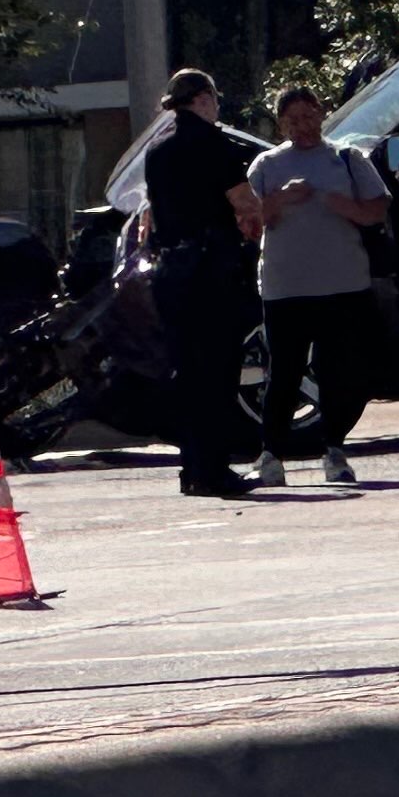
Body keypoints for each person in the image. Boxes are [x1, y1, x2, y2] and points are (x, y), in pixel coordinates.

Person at [242, 87, 392, 490]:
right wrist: (283, 198)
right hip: (285, 287)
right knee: (284, 373)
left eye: (309, 116)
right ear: (280, 124)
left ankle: (335, 448)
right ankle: (271, 455)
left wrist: (349, 208)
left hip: (343, 284)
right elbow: (250, 221)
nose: (303, 126)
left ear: (321, 114)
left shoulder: (346, 158)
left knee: (343, 373)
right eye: (293, 120)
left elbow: (378, 207)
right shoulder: (266, 165)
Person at [140, 68, 262, 500]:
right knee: (219, 369)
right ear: (204, 98)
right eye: (214, 97)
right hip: (212, 272)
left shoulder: (156, 150)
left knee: (187, 372)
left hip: (172, 273)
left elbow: (153, 212)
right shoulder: (215, 144)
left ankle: (191, 468)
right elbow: (245, 207)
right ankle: (214, 469)